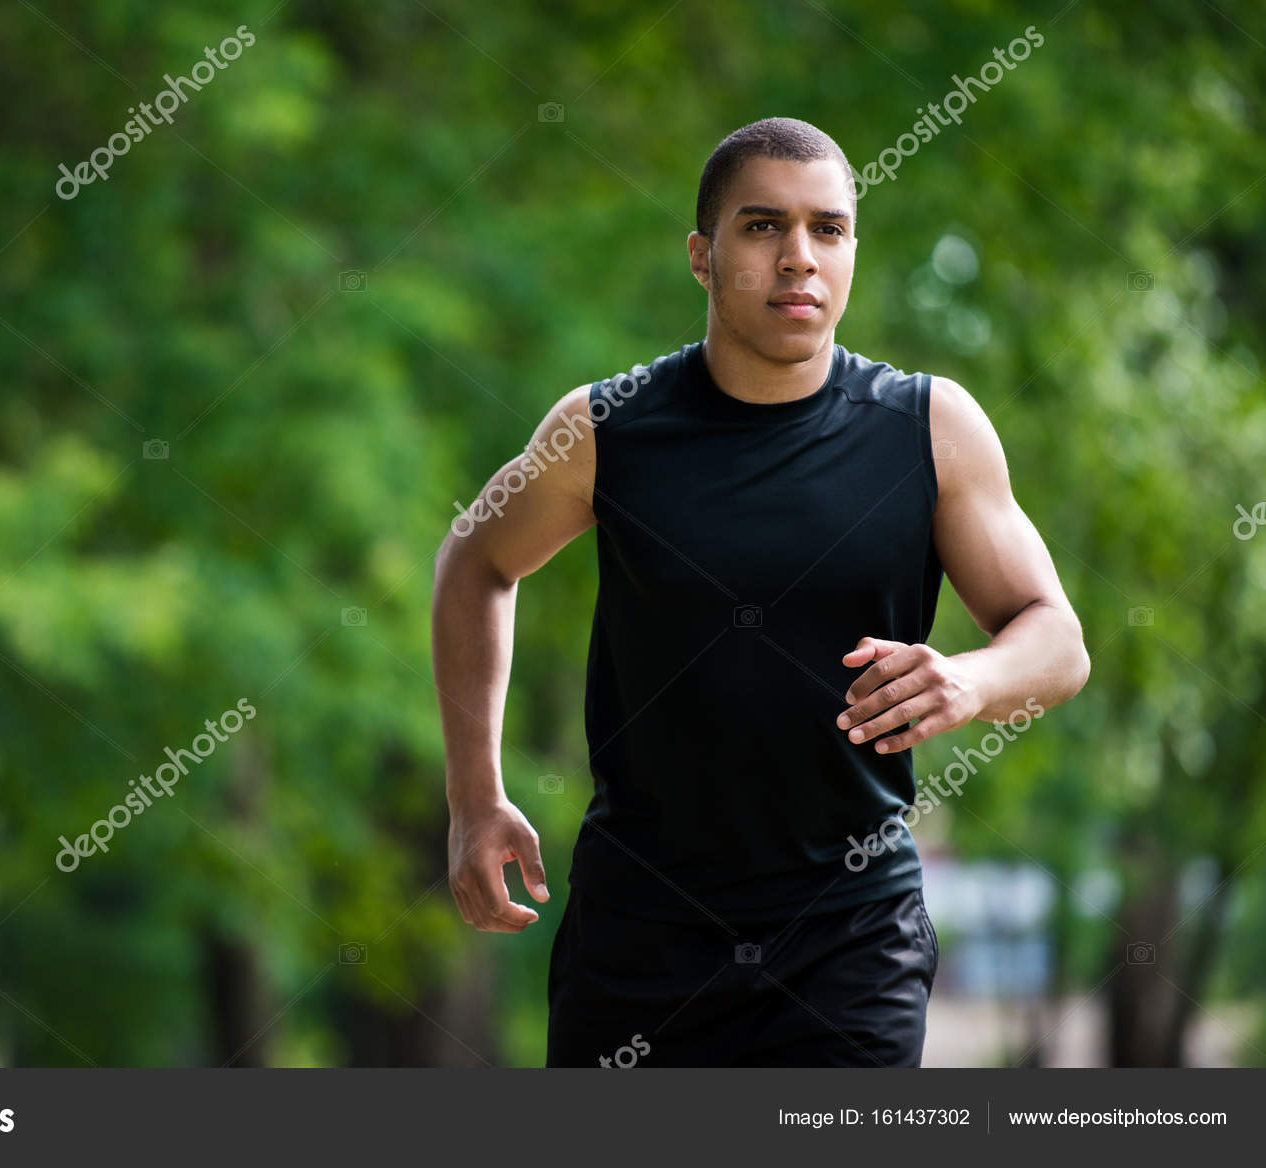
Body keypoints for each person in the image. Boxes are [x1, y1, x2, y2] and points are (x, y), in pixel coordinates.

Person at [429, 117, 1090, 1067]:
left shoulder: (929, 429)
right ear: (701, 256)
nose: (799, 259)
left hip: (849, 940)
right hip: (641, 941)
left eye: (829, 229)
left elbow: (1058, 640)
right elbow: (476, 560)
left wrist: (972, 682)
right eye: (761, 227)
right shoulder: (608, 428)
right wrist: (474, 797)